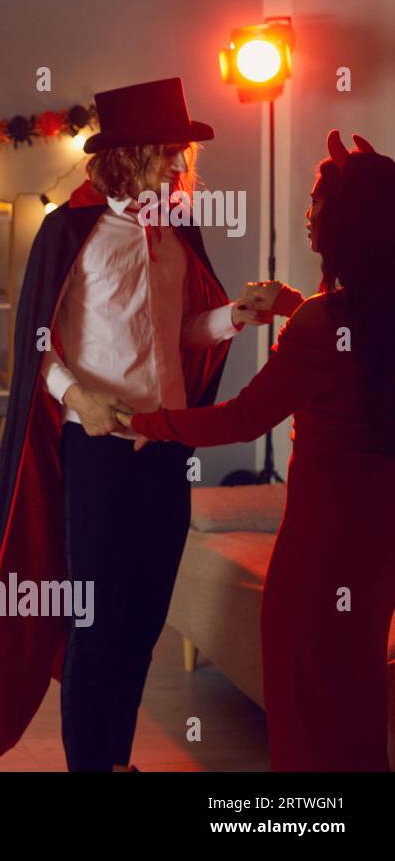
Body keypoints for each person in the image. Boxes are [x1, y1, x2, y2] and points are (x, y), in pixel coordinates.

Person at [0, 77, 270, 771]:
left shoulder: (178, 234)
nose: (183, 170)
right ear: (131, 158)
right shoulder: (70, 231)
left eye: (182, 157)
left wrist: (235, 315)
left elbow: (182, 331)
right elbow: (36, 344)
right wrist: (80, 400)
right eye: (171, 155)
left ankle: (116, 759)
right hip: (96, 452)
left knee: (143, 621)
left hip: (166, 450)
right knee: (95, 627)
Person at [119, 131, 395, 771]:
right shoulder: (364, 320)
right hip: (376, 553)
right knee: (354, 700)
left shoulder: (322, 325)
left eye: (320, 199)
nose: (308, 211)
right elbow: (351, 362)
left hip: (317, 554)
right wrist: (296, 309)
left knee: (303, 704)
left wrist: (148, 422)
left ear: (350, 224)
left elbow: (242, 420)